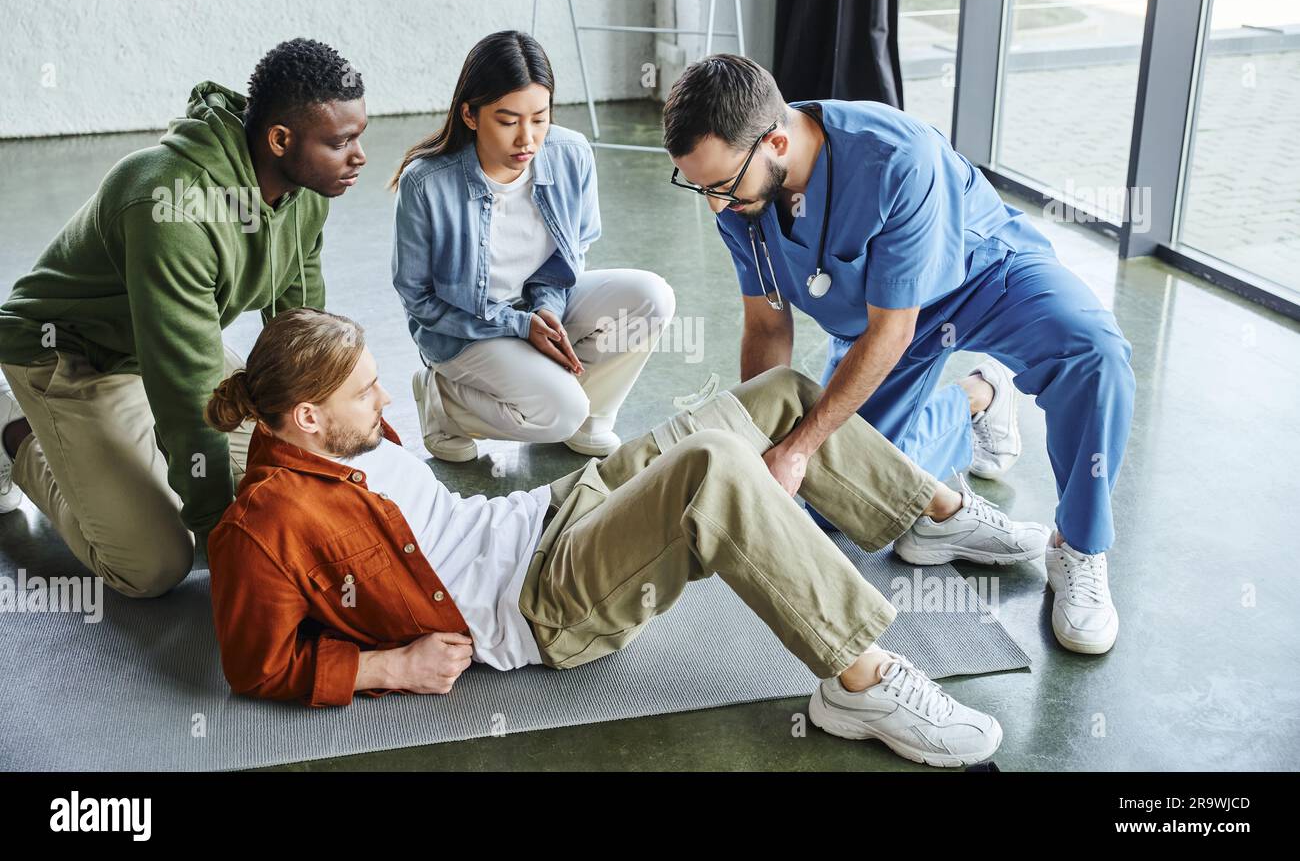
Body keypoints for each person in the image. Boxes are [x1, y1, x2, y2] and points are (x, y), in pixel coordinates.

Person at [204, 307, 1052, 768]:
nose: (385, 404)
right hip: (542, 605)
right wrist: (390, 666)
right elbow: (257, 664)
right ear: (308, 417)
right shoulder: (264, 526)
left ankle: (930, 518)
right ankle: (859, 679)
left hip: (546, 513)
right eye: (367, 393)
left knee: (782, 396)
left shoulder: (342, 435)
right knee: (715, 468)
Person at [660, 54, 1136, 655]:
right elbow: (765, 322)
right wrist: (767, 443)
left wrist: (799, 446)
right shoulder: (741, 195)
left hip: (983, 278)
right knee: (844, 495)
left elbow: (893, 334)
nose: (714, 206)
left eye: (721, 185)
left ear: (776, 140)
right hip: (878, 325)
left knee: (1095, 354)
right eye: (697, 186)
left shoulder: (896, 159)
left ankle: (1080, 547)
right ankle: (976, 402)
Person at [0, 38, 368, 598]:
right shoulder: (169, 204)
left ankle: (128, 454)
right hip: (72, 355)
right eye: (342, 142)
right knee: (156, 565)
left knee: (289, 482)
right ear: (280, 139)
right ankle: (15, 433)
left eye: (359, 137)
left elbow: (300, 328)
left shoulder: (307, 189)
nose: (359, 156)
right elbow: (187, 392)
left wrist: (336, 433)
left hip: (175, 336)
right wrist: (221, 536)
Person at [390, 30, 674, 462]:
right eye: (508, 121)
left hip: (541, 308)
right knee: (558, 411)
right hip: (464, 331)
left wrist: (545, 311)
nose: (528, 139)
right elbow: (419, 300)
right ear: (470, 114)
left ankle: (591, 416)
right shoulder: (425, 183)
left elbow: (571, 257)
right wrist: (518, 326)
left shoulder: (571, 154)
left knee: (651, 298)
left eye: (539, 118)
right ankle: (442, 401)